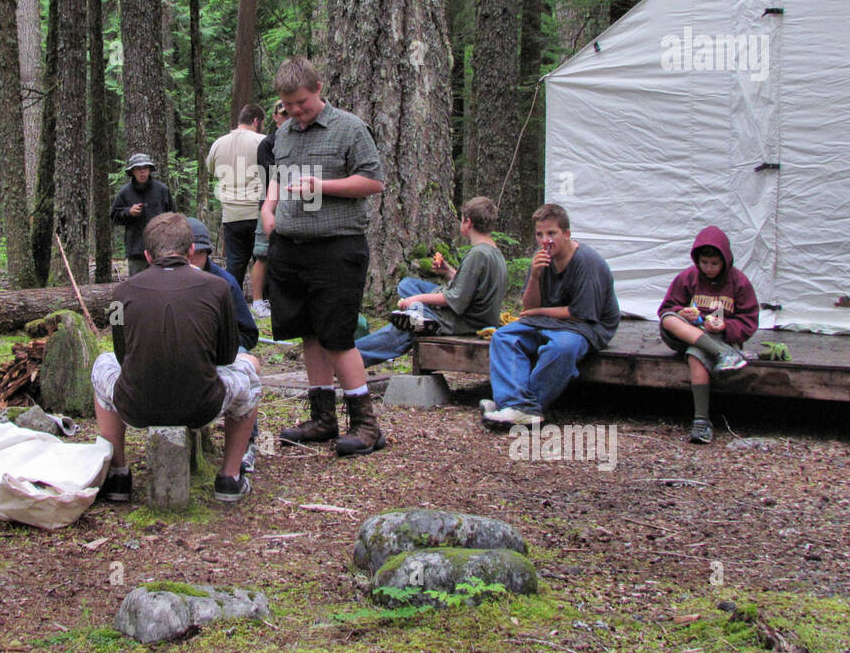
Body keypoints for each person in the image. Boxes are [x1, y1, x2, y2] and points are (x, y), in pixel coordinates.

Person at [89, 213, 261, 503]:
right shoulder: (218, 289)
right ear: (191, 250)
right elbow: (228, 354)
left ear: (146, 255)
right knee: (250, 370)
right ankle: (230, 477)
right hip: (203, 405)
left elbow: (122, 354)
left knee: (102, 363)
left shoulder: (121, 293)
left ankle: (118, 474)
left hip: (136, 406)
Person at [264, 57, 387, 457]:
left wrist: (323, 185)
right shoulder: (282, 134)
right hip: (289, 249)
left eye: (301, 102)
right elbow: (278, 182)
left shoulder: (349, 128)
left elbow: (374, 181)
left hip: (337, 248)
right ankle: (322, 418)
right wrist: (269, 212)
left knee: (337, 336)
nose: (296, 111)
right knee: (309, 333)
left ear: (318, 88)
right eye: (288, 105)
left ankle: (366, 425)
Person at [481, 203, 620, 428]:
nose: (546, 240)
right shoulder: (542, 257)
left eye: (552, 233)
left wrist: (537, 312)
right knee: (503, 337)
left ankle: (526, 407)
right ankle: (512, 404)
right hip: (549, 322)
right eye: (540, 234)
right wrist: (535, 275)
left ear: (566, 234)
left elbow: (579, 314)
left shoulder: (586, 261)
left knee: (561, 348)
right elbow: (528, 305)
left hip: (586, 326)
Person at [355, 196, 507, 366]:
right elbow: (474, 286)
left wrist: (416, 299)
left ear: (468, 222)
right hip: (475, 315)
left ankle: (349, 358)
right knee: (407, 284)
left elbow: (456, 299)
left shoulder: (477, 255)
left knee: (405, 329)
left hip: (462, 322)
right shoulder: (493, 251)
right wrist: (448, 271)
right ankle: (420, 314)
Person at [657, 227, 758, 444]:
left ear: (725, 261)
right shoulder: (688, 277)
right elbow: (666, 307)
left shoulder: (739, 282)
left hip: (718, 337)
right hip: (689, 332)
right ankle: (722, 355)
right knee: (668, 319)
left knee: (696, 355)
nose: (709, 268)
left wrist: (724, 327)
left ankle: (701, 421)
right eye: (704, 263)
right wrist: (681, 312)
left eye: (714, 264)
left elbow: (749, 321)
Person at [189, 216, 261, 473]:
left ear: (206, 253)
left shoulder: (225, 284)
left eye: (198, 254)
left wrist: (222, 346)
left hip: (224, 351)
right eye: (188, 253)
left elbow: (249, 334)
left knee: (246, 365)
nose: (191, 261)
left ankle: (247, 442)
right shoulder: (172, 280)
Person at [206, 104, 266, 291]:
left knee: (235, 263)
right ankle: (263, 304)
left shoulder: (218, 143)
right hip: (257, 212)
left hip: (231, 214)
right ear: (256, 121)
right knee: (262, 260)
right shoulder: (262, 141)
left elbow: (211, 170)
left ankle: (232, 303)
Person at [249, 101, 289, 318]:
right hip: (269, 203)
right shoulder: (268, 143)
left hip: (297, 204)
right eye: (283, 114)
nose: (287, 117)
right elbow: (270, 174)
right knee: (262, 253)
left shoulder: (302, 137)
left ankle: (284, 299)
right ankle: (257, 300)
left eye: (289, 113)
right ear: (275, 117)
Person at [110, 152, 177, 277]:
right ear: (132, 172)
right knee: (137, 286)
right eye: (138, 169)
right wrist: (128, 212)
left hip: (160, 249)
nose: (142, 172)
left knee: (162, 284)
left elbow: (174, 217)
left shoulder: (162, 190)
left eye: (145, 168)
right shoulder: (125, 192)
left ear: (150, 170)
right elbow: (114, 216)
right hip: (136, 250)